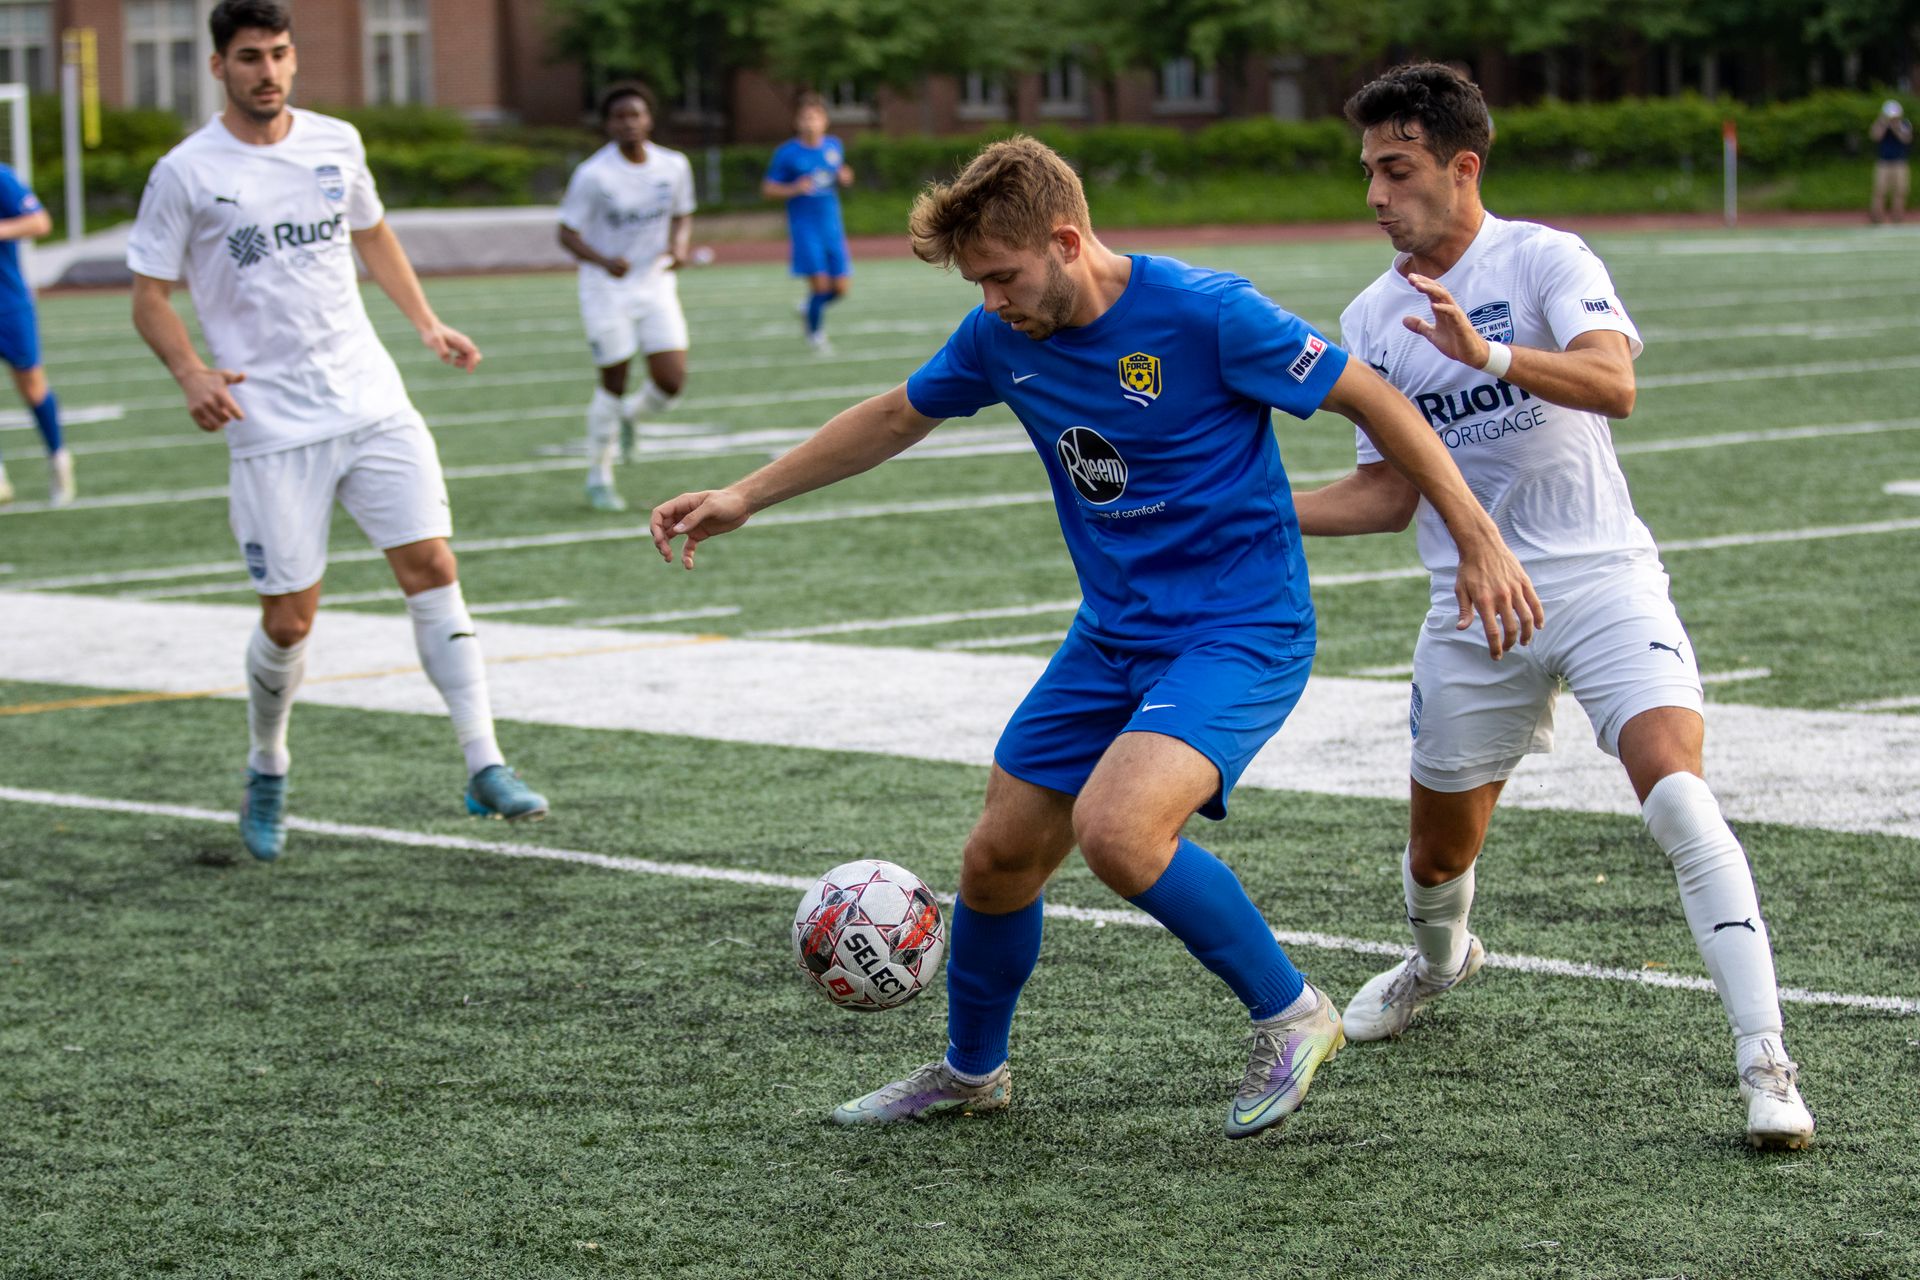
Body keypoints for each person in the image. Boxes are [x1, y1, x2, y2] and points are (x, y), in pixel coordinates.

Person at [652, 136, 1539, 1138]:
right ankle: (972, 1070)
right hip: (1112, 634)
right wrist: (745, 494)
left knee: (1117, 829)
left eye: (1001, 275)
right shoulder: (1000, 336)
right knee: (995, 858)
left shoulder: (1206, 312)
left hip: (1237, 629)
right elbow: (899, 415)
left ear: (1067, 241)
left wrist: (1475, 534)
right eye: (977, 282)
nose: (989, 301)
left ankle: (1294, 1011)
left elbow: (1371, 396)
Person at [1294, 62, 1814, 1150]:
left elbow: (1613, 380)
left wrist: (1483, 350)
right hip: (1470, 607)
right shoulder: (1371, 316)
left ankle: (1766, 1058)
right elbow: (1387, 492)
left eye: (1397, 171)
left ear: (1461, 166)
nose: (1376, 196)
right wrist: (1248, 511)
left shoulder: (1542, 258)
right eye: (1369, 173)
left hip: (1602, 578)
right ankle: (1442, 961)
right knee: (1437, 859)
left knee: (1678, 796)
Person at [126, 0, 548, 862]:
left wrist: (426, 322)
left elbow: (373, 232)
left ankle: (485, 761)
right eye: (249, 57)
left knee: (432, 566)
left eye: (280, 54)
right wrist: (191, 372)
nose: (268, 71)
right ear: (219, 68)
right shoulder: (184, 172)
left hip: (370, 398)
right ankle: (268, 763)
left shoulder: (336, 142)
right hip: (271, 423)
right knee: (289, 621)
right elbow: (148, 294)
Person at [557, 83, 696, 513]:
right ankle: (599, 476)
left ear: (649, 119)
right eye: (619, 116)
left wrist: (680, 247)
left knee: (671, 382)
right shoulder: (593, 175)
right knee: (613, 380)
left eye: (636, 114)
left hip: (654, 283)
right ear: (607, 124)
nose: (629, 123)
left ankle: (632, 419)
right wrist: (601, 260)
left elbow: (682, 214)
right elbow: (566, 233)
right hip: (606, 290)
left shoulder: (673, 165)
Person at [0, 160, 74, 508]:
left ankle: (58, 456)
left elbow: (40, 222)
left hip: (7, 303)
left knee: (31, 385)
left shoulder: (1, 177)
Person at [761, 92, 853, 355]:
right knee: (821, 286)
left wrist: (845, 177)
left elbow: (840, 174)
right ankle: (816, 335)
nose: (810, 122)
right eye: (805, 117)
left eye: (815, 117)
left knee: (841, 288)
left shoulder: (833, 146)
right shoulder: (787, 153)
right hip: (805, 228)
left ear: (825, 121)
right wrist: (793, 188)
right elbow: (768, 189)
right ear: (797, 121)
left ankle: (808, 307)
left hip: (831, 225)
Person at [1870, 100, 1911, 225]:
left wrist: (1896, 127)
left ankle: (1897, 216)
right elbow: (1875, 136)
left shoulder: (1904, 124)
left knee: (1900, 190)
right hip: (1883, 162)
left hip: (1899, 162)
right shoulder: (1881, 124)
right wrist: (1883, 124)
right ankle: (1877, 216)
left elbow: (1906, 139)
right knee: (1880, 190)